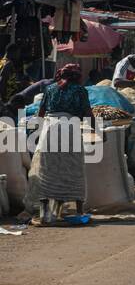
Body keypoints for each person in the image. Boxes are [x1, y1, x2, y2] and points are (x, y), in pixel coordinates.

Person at [22, 63, 92, 224]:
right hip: (70, 128)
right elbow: (88, 113)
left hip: (50, 128)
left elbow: (40, 112)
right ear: (77, 76)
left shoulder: (50, 89)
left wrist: (37, 133)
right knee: (74, 167)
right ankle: (80, 212)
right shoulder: (80, 91)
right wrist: (97, 131)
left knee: (47, 169)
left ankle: (45, 213)